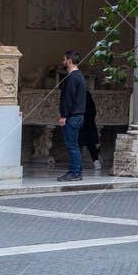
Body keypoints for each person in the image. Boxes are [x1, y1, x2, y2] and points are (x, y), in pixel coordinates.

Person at [55, 49, 88, 182]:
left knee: (72, 146)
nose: (63, 61)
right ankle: (77, 171)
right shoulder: (80, 76)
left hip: (72, 117)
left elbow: (68, 99)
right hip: (78, 116)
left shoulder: (72, 77)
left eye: (64, 59)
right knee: (74, 145)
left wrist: (63, 116)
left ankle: (74, 172)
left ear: (69, 60)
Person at [80, 84, 102, 174]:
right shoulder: (83, 94)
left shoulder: (86, 94)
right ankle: (78, 164)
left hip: (86, 122)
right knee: (79, 144)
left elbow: (92, 109)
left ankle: (96, 161)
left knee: (90, 144)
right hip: (83, 121)